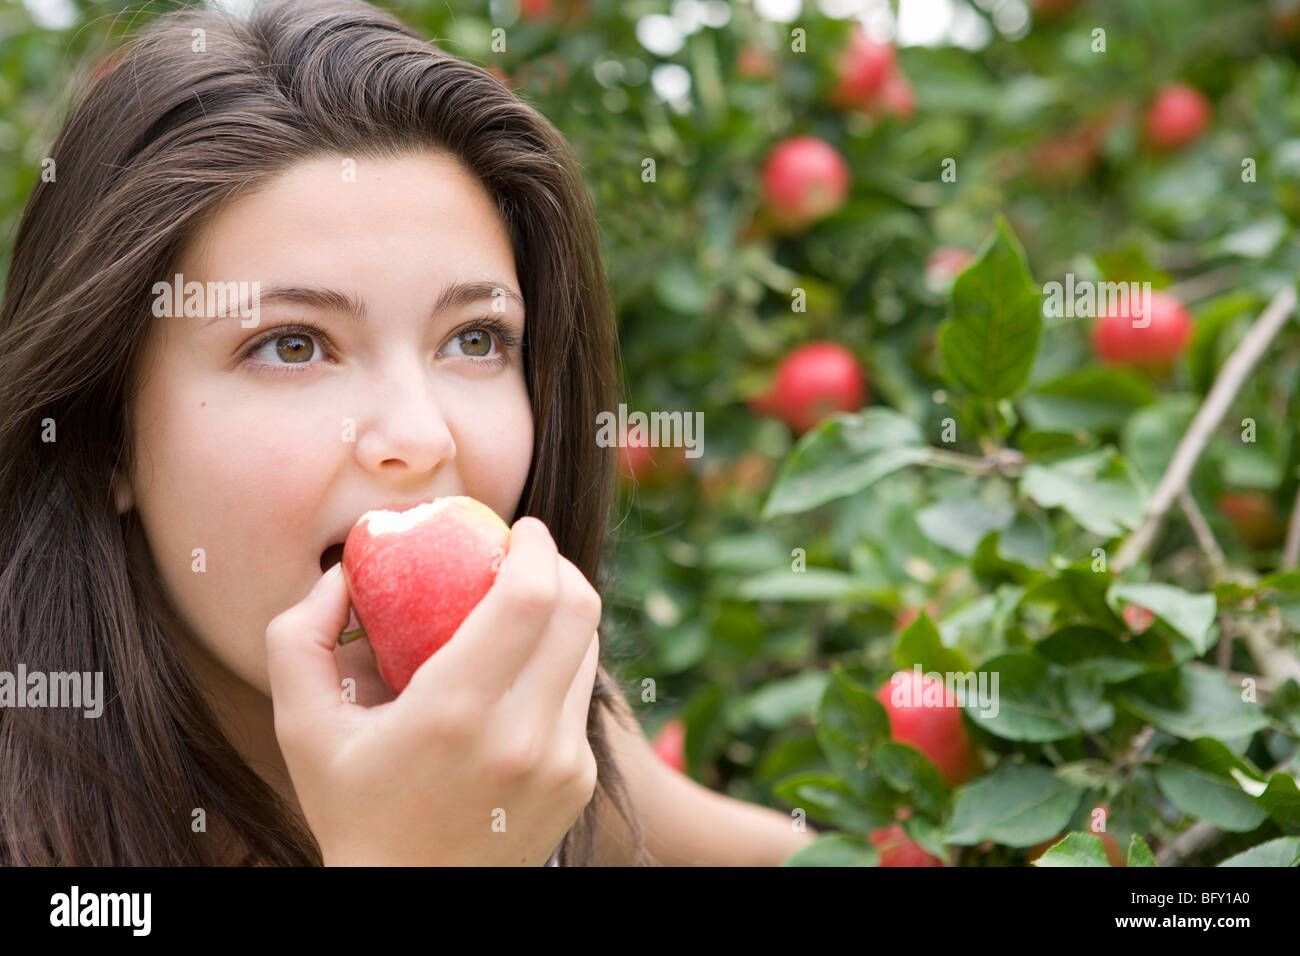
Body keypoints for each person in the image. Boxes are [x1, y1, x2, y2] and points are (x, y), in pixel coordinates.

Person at [0, 0, 817, 865]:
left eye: (475, 339)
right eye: (293, 345)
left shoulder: (524, 741)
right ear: (106, 434)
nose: (421, 435)